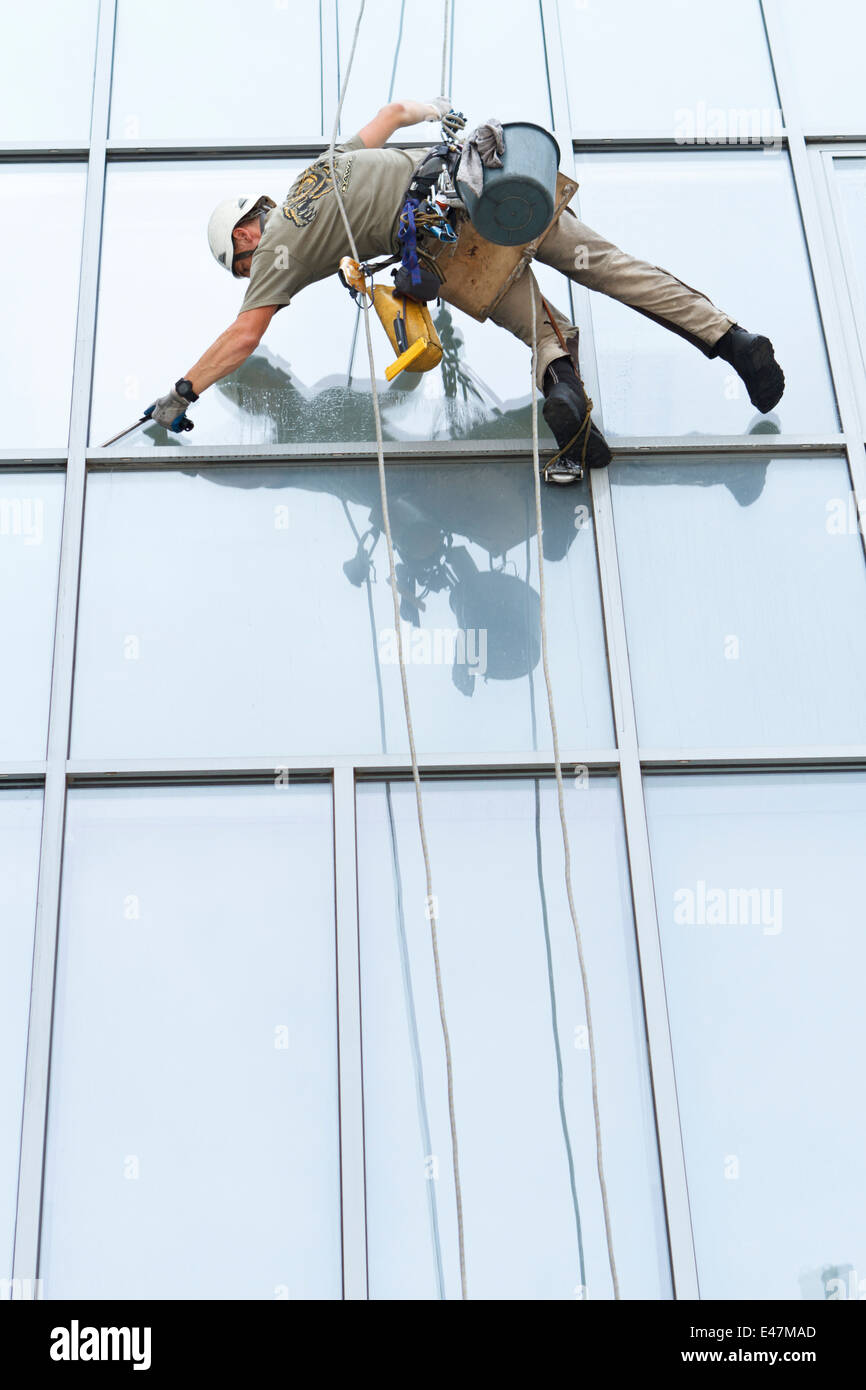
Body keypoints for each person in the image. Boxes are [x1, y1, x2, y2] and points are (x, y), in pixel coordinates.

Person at [144, 97, 785, 480]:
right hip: (479, 187)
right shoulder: (317, 173)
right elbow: (395, 114)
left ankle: (564, 389)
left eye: (239, 266)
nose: (248, 278)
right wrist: (442, 111)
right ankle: (733, 340)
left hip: (444, 246)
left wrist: (182, 391)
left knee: (535, 322)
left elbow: (244, 334)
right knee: (611, 266)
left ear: (245, 238)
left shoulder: (278, 248)